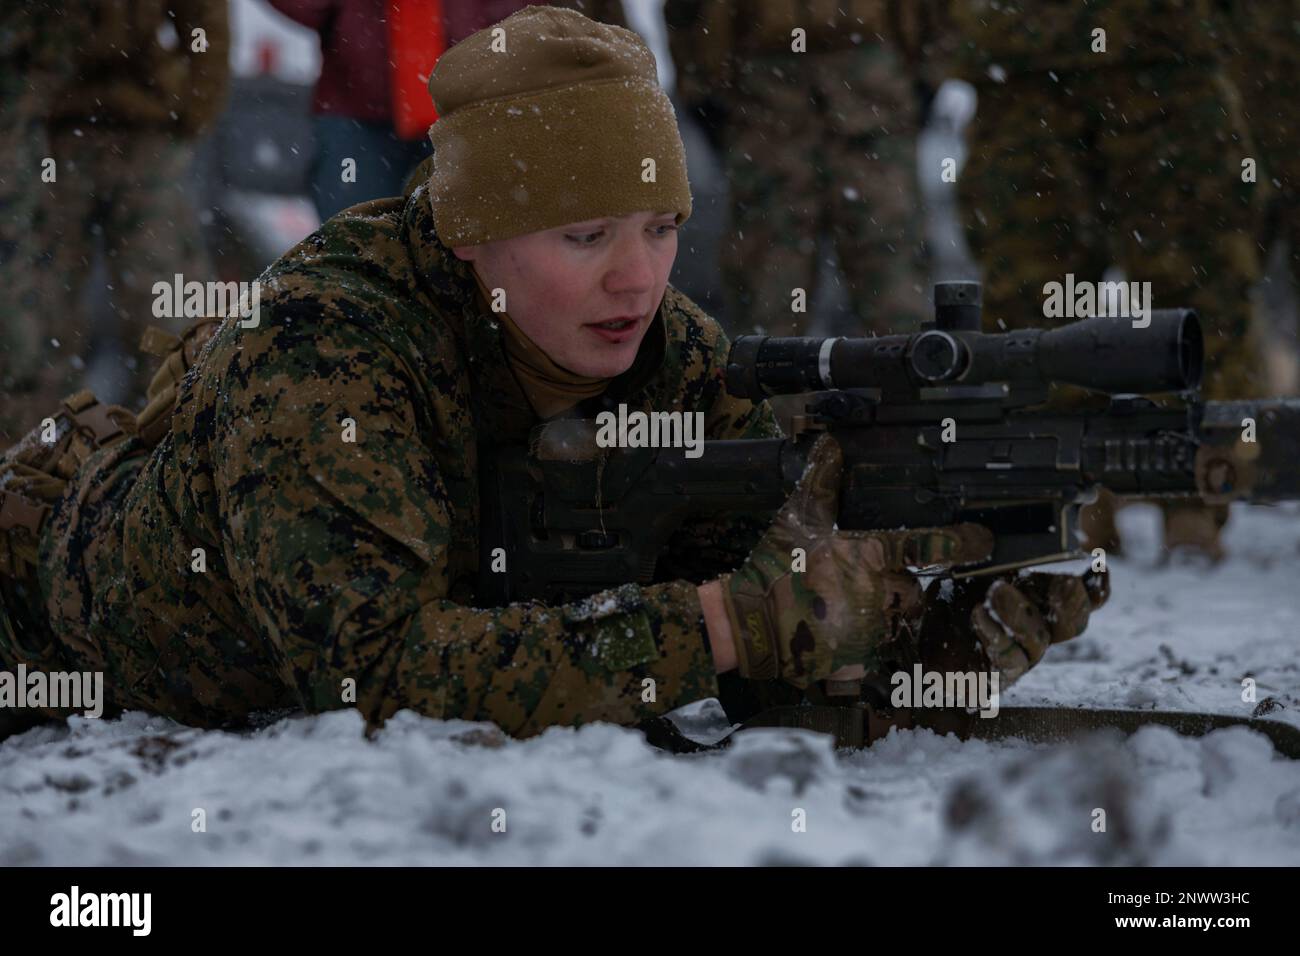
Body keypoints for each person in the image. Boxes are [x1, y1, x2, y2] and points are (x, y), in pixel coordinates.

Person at [0, 8, 1103, 741]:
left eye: (662, 226)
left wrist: (926, 626)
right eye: (584, 237)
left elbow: (770, 590)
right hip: (37, 626)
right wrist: (726, 626)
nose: (638, 278)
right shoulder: (327, 345)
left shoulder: (661, 344)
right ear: (472, 233)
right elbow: (374, 675)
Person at [950, 0, 1263, 561]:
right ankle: (1062, 490)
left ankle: (1192, 493)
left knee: (1195, 280)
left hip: (1163, 48)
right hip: (1021, 59)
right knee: (1036, 289)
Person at [665, 0, 931, 339]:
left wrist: (931, 71)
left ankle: (912, 380)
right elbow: (683, 13)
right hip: (765, 94)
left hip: (870, 83)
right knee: (769, 291)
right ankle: (771, 387)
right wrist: (698, 84)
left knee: (894, 272)